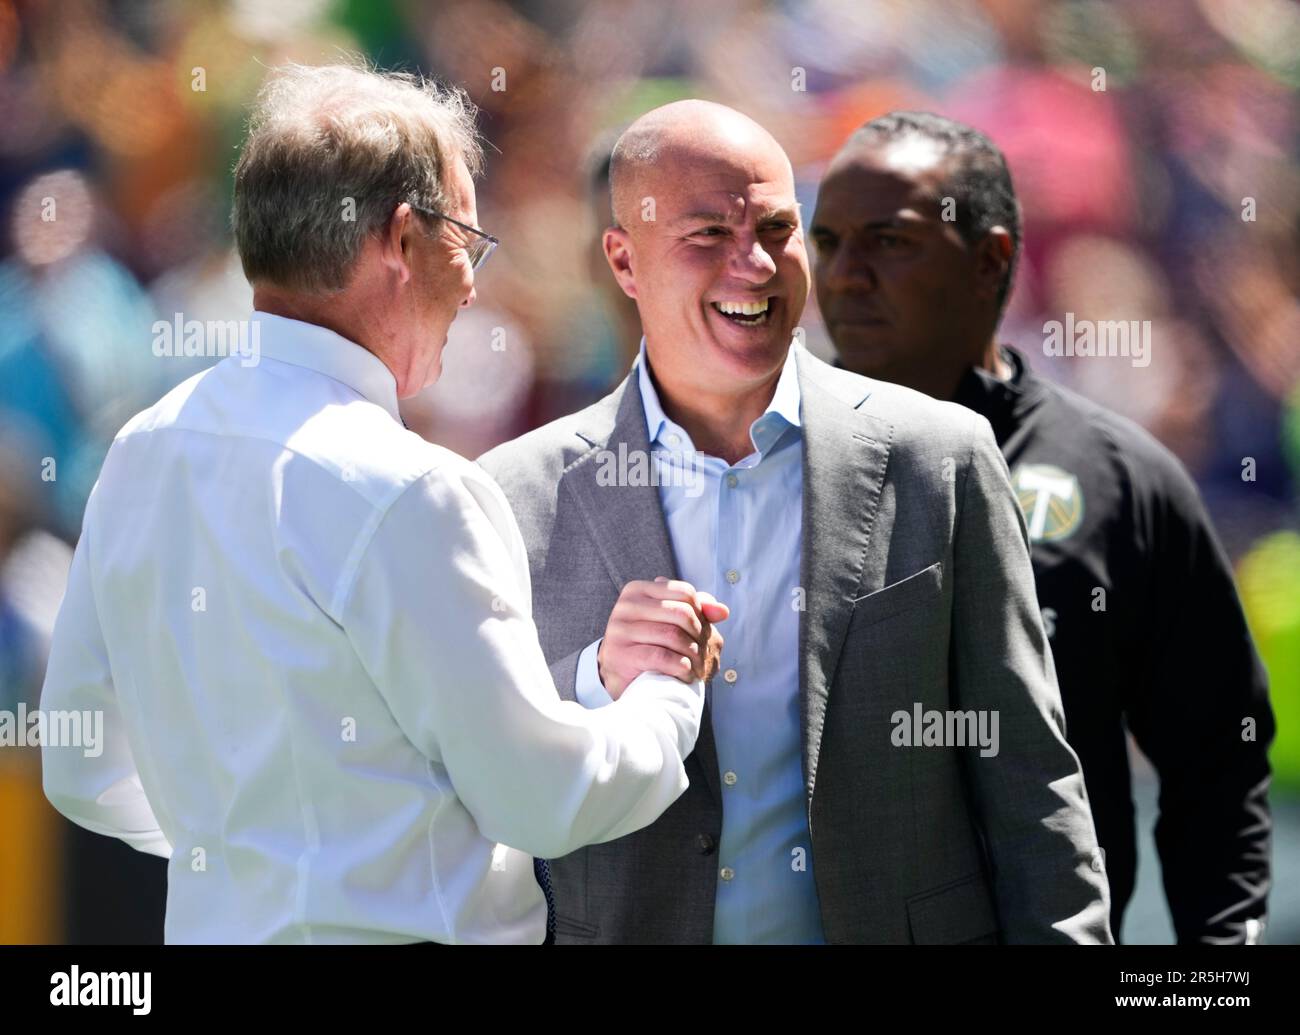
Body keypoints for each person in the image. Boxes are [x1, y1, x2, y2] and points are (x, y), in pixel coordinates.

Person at [39, 62, 727, 945]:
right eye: (468, 242)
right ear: (402, 241)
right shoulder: (415, 487)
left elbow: (80, 766)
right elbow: (543, 798)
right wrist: (668, 695)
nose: (474, 284)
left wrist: (264, 860)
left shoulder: (142, 449)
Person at [479, 99, 1112, 944]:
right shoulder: (513, 494)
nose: (755, 264)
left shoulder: (941, 458)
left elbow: (1030, 776)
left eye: (777, 230)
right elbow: (479, 780)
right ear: (624, 262)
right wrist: (596, 680)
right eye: (708, 235)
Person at [811, 111, 1274, 944]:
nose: (845, 274)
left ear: (989, 260)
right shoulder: (764, 459)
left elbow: (1217, 762)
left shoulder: (1121, 479)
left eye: (890, 241)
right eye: (829, 241)